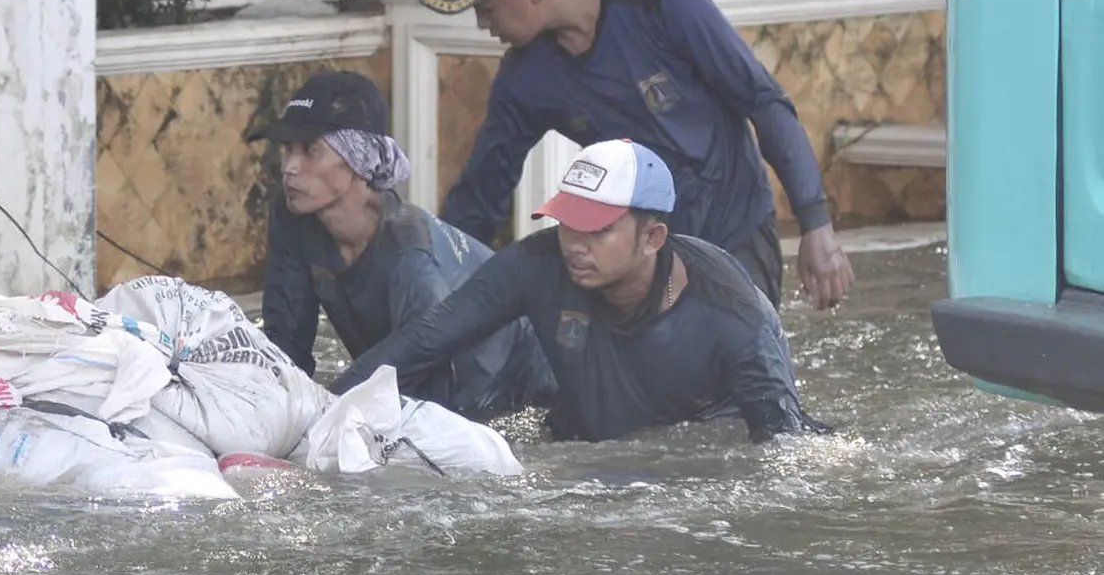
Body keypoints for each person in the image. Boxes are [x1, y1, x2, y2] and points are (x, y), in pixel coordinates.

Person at [422, 0, 855, 311]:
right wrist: (440, 284)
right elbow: (481, 193)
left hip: (733, 233)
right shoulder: (525, 78)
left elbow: (764, 101)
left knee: (732, 375)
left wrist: (815, 225)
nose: (483, 24)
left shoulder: (662, 3)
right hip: (636, 260)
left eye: (487, 8)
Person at [334, 139, 823, 443]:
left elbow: (783, 443)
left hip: (691, 464)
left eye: (597, 230)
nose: (575, 246)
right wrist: (323, 407)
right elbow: (426, 339)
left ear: (652, 238)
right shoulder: (540, 263)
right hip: (584, 444)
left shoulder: (730, 311)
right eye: (568, 225)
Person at [254, 70, 553, 420]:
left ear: (360, 159)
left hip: (519, 392)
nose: (289, 167)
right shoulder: (293, 221)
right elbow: (284, 346)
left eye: (310, 150)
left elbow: (426, 403)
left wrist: (325, 414)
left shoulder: (411, 257)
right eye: (287, 149)